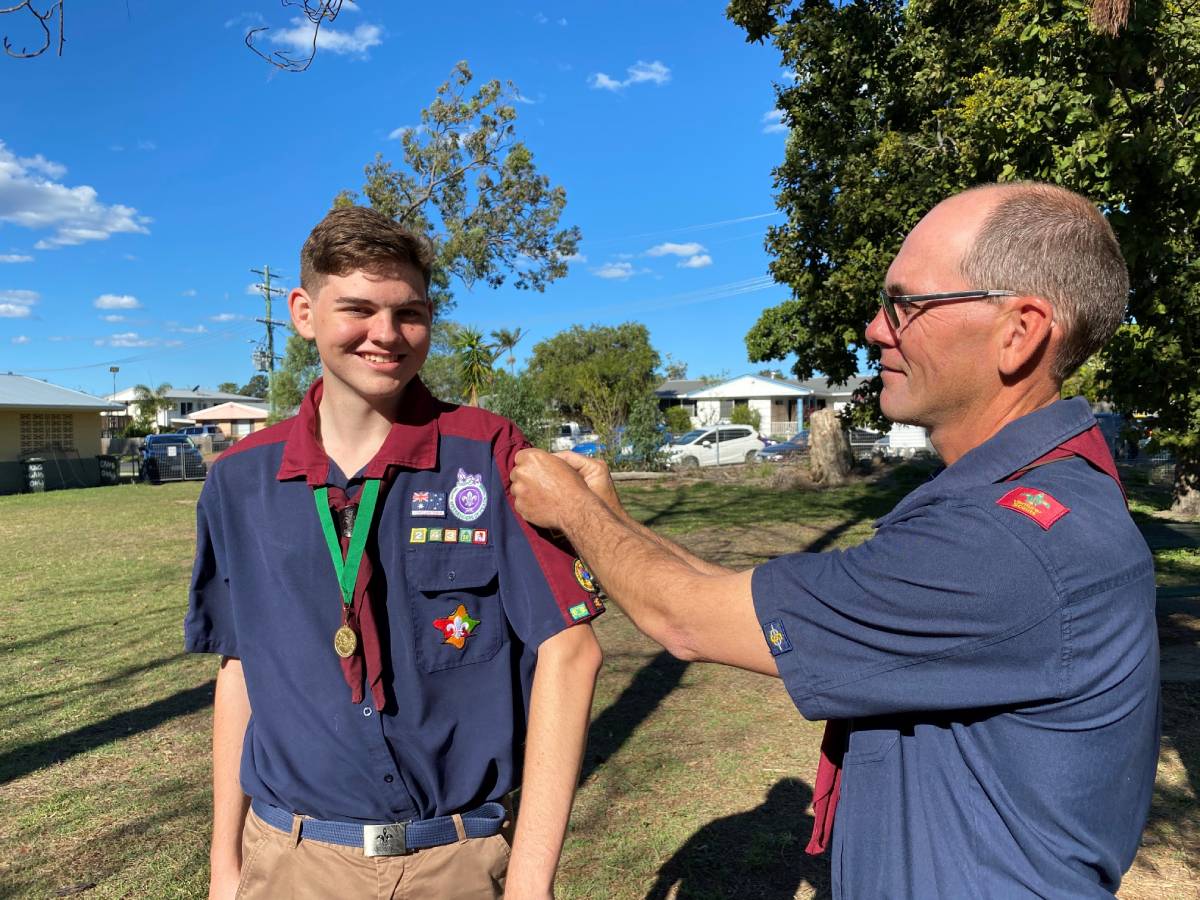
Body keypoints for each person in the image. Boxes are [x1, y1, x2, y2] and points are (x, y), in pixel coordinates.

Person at [509, 182, 1159, 898]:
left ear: (1020, 331)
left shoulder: (1006, 543)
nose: (878, 330)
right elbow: (733, 602)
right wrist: (617, 522)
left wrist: (575, 513)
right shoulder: (1036, 507)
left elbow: (686, 621)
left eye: (907, 305)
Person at [185, 205, 604, 900]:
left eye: (409, 313)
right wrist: (225, 867)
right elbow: (239, 670)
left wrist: (530, 885)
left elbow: (570, 650)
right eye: (358, 309)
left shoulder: (491, 456)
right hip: (290, 862)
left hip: (456, 864)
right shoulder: (240, 479)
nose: (387, 335)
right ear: (303, 311)